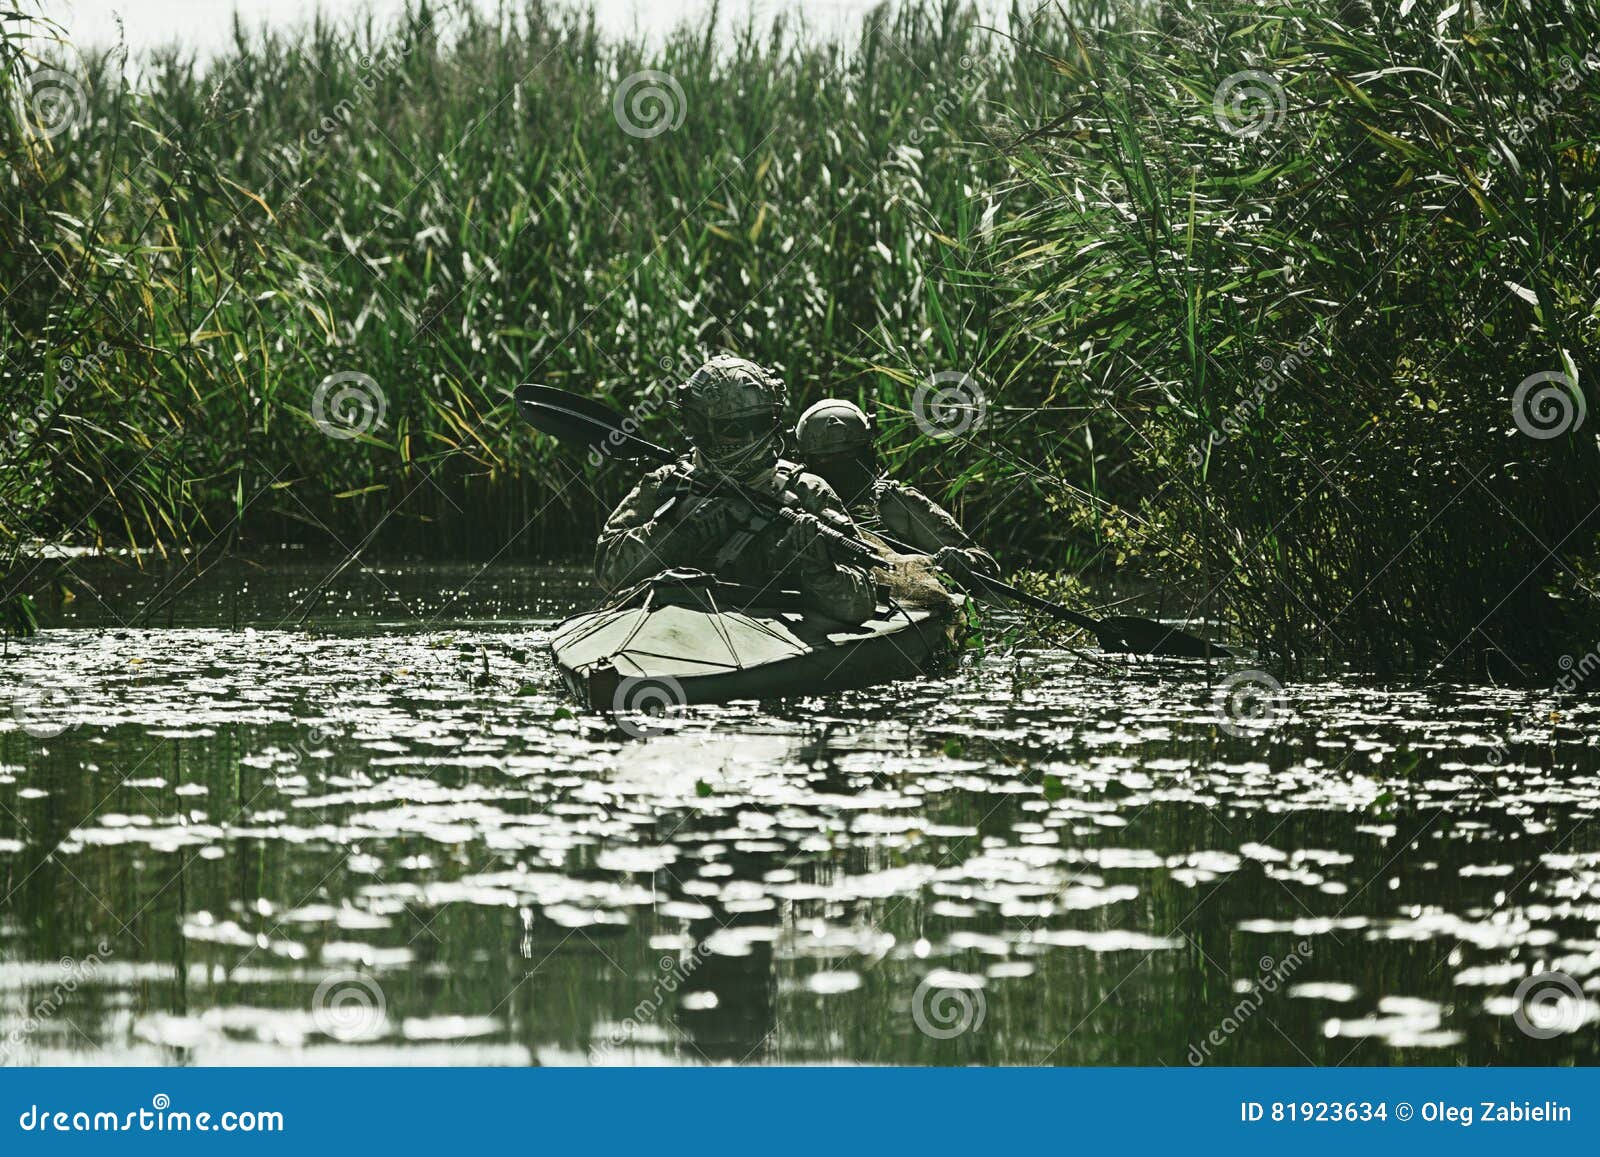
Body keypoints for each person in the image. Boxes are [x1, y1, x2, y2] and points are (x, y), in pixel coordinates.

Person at [594, 357, 877, 624]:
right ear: (701, 427)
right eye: (736, 427)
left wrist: (822, 573)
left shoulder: (806, 491)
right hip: (667, 628)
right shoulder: (664, 486)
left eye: (761, 423)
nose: (752, 437)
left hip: (769, 637)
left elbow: (862, 603)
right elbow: (608, 574)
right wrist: (676, 529)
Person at [794, 398, 998, 579]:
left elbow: (984, 562)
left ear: (868, 452)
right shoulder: (793, 506)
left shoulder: (899, 502)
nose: (840, 467)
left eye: (850, 456)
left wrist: (962, 561)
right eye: (826, 459)